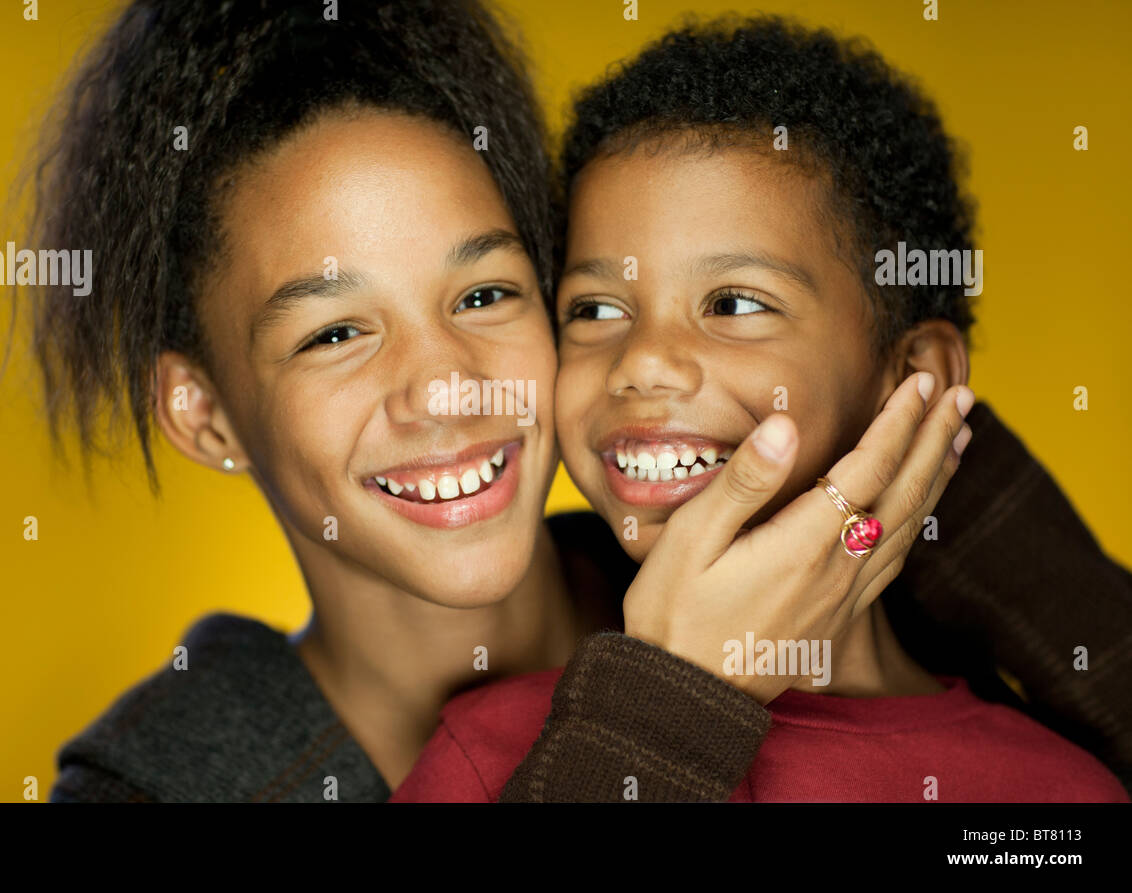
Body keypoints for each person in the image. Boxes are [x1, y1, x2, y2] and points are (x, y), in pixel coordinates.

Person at [24, 2, 1125, 803]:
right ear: (204, 412)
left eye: (487, 290)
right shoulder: (164, 783)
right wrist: (667, 701)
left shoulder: (809, 578)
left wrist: (921, 456)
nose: (448, 382)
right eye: (334, 332)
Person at [391, 15, 1132, 803]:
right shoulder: (497, 753)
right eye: (596, 308)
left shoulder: (1054, 795)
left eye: (736, 302)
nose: (641, 360)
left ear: (915, 372)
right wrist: (663, 708)